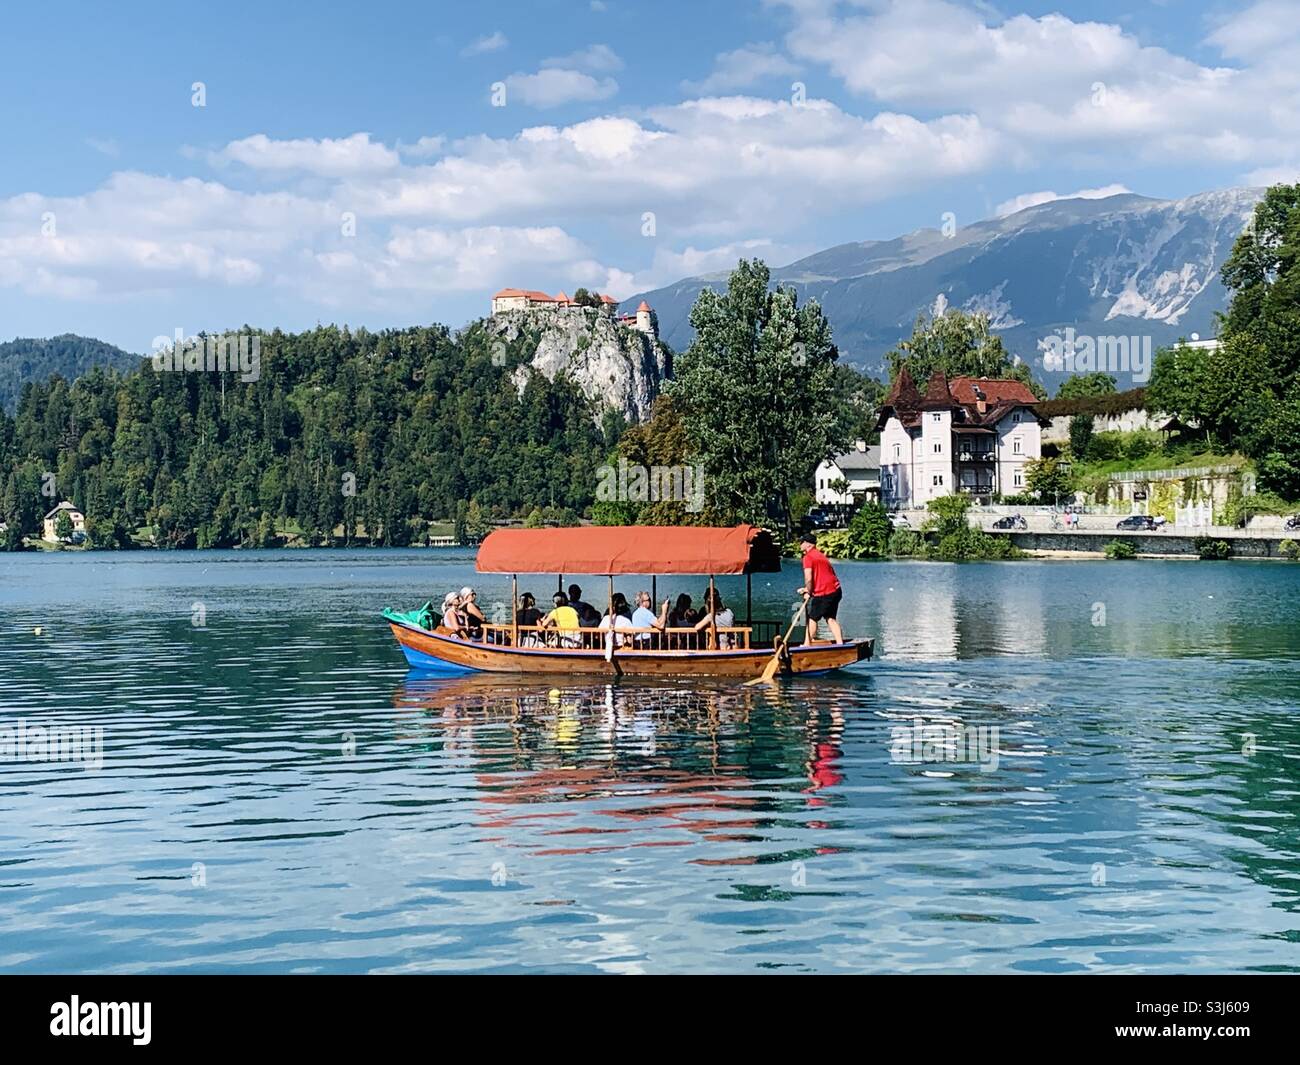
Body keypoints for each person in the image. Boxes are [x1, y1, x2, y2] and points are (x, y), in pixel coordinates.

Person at [798, 532, 843, 644]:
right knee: (830, 618)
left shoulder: (808, 557)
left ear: (808, 544)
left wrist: (808, 591)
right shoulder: (820, 555)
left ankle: (806, 645)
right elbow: (821, 576)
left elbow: (809, 578)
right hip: (836, 591)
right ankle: (840, 643)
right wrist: (807, 589)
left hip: (825, 593)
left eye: (802, 542)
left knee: (813, 618)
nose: (800, 544)